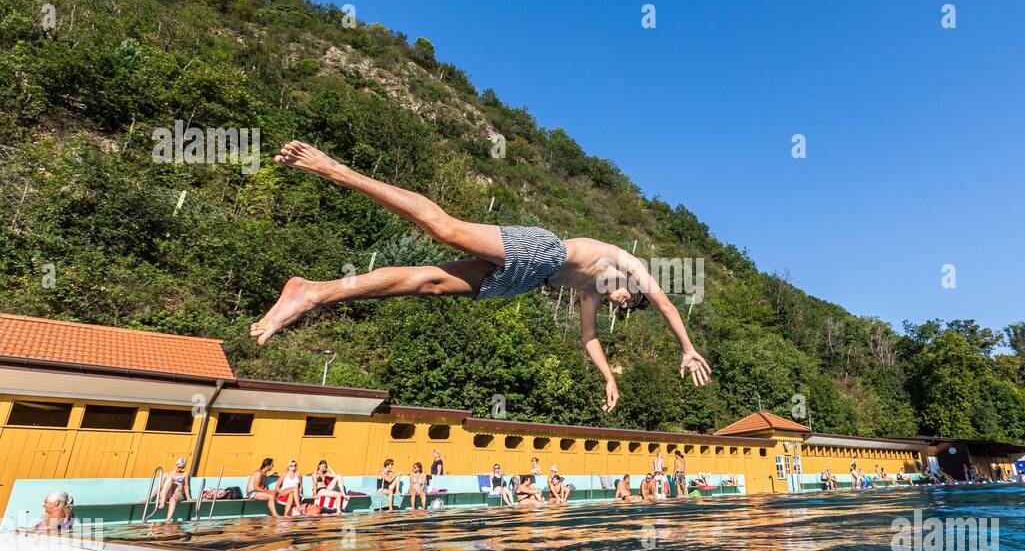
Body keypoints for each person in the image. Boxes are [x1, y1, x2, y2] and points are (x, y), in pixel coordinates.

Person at [251, 141, 713, 413]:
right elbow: (669, 304)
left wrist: (609, 378)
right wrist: (687, 349)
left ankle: (314, 292)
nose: (624, 303)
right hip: (543, 250)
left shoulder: (590, 291)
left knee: (425, 283)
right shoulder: (627, 264)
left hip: (526, 279)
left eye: (626, 308)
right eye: (631, 301)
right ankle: (337, 170)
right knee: (445, 229)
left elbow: (589, 339)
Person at [156, 457, 191, 523]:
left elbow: (186, 486)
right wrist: (148, 498)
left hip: (177, 494)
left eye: (182, 467)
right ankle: (163, 500)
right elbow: (160, 486)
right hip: (167, 494)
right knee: (170, 479)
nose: (180, 469)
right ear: (175, 465)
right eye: (179, 467)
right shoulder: (167, 474)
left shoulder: (184, 474)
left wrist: (188, 498)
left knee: (173, 499)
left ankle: (168, 519)